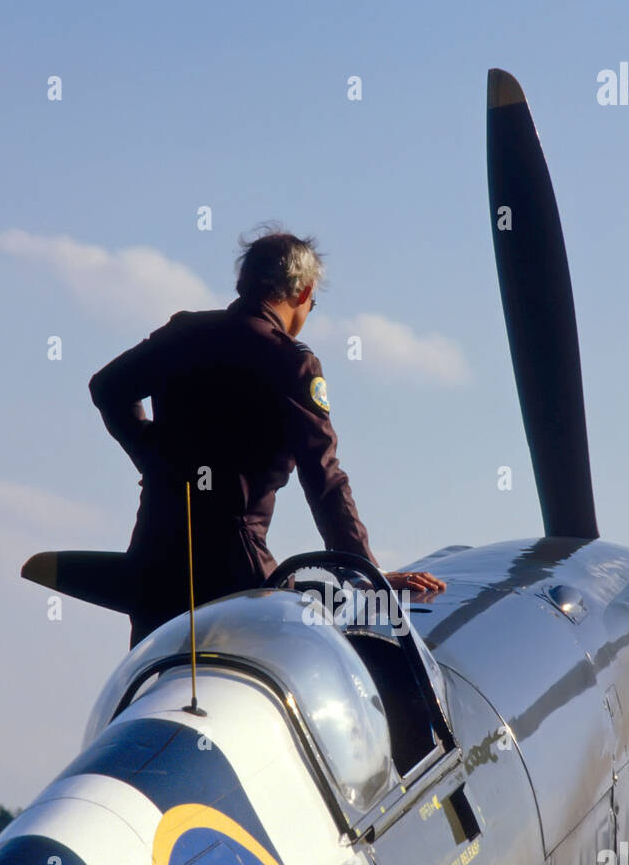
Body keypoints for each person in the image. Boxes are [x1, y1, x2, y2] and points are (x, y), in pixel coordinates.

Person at [89, 228, 445, 645]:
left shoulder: (183, 332)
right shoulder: (291, 363)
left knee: (156, 681)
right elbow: (324, 476)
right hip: (232, 567)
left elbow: (107, 388)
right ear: (304, 291)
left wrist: (153, 458)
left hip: (154, 555)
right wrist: (364, 571)